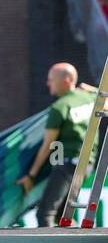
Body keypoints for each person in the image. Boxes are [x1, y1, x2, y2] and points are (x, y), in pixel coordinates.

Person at [17, 63, 97, 227]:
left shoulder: (60, 106)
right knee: (65, 215)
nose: (48, 84)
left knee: (45, 214)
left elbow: (48, 145)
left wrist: (32, 175)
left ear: (67, 81)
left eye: (51, 80)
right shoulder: (90, 99)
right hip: (87, 164)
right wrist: (93, 90)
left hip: (67, 165)